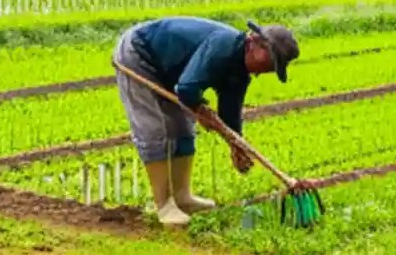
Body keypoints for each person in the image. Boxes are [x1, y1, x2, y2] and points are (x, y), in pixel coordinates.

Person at [111, 17, 300, 226]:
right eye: (271, 62)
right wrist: (200, 109)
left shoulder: (240, 72)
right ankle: (164, 205)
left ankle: (183, 197)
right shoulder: (223, 46)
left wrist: (235, 145)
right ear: (254, 42)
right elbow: (187, 89)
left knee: (183, 126)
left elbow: (229, 113)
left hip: (170, 68)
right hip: (140, 53)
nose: (269, 70)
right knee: (154, 128)